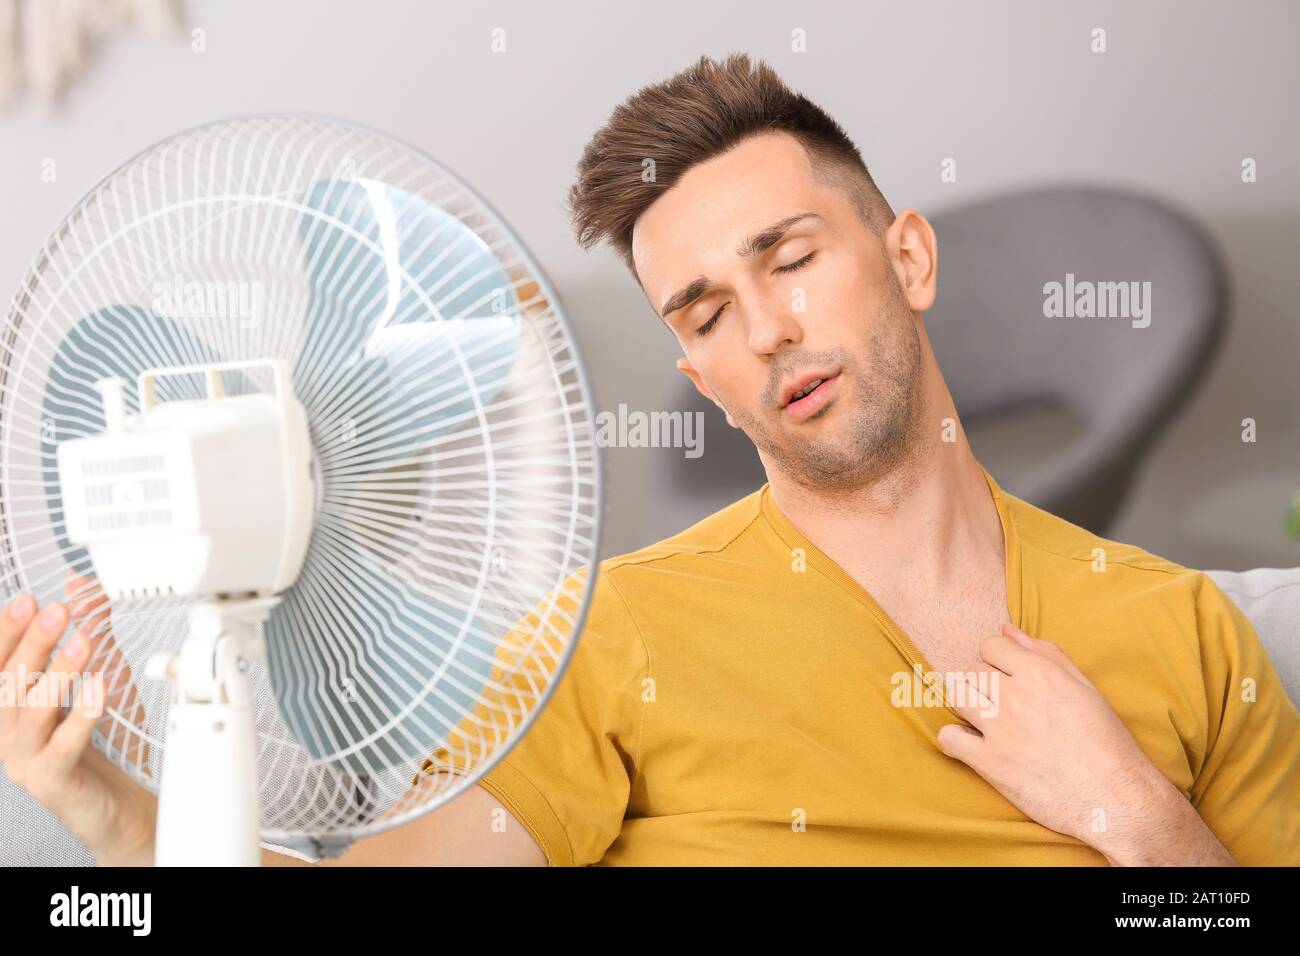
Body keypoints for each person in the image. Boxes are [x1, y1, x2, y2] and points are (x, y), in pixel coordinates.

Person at [4, 53, 1298, 867]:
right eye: (706, 313)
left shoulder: (1184, 633)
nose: (769, 327)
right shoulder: (603, 640)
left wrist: (1137, 822)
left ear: (907, 259)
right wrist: (118, 814)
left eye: (790, 258)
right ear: (701, 381)